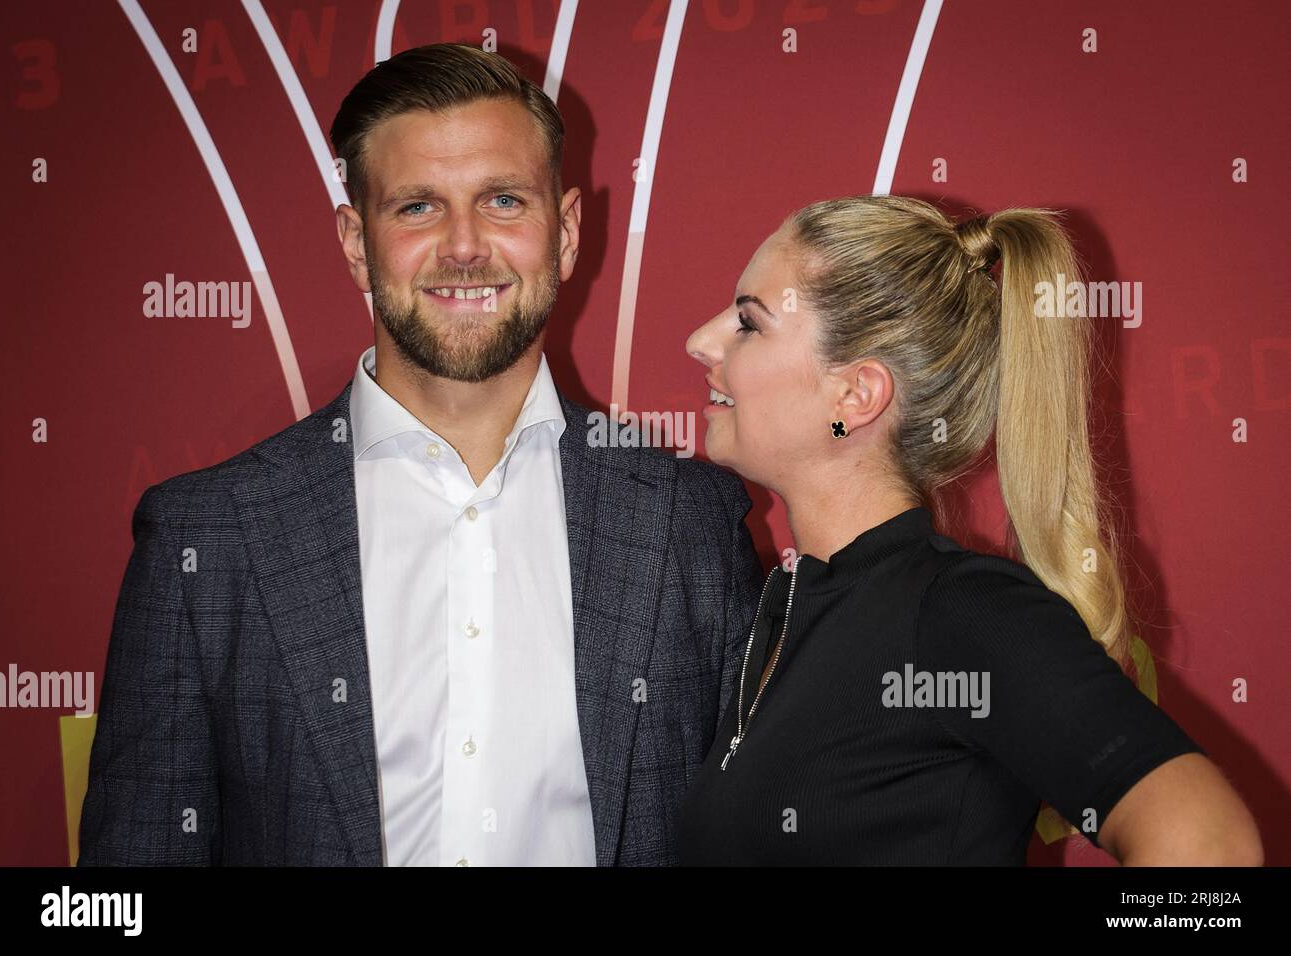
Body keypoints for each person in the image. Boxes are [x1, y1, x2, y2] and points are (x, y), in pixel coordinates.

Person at [78, 43, 763, 867]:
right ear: (357, 241)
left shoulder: (688, 522)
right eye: (417, 208)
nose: (465, 245)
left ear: (568, 231)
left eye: (504, 200)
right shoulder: (207, 539)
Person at [678, 196, 1263, 865]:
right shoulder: (782, 614)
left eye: (749, 324)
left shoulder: (958, 610)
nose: (701, 340)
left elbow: (1211, 850)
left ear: (856, 396)